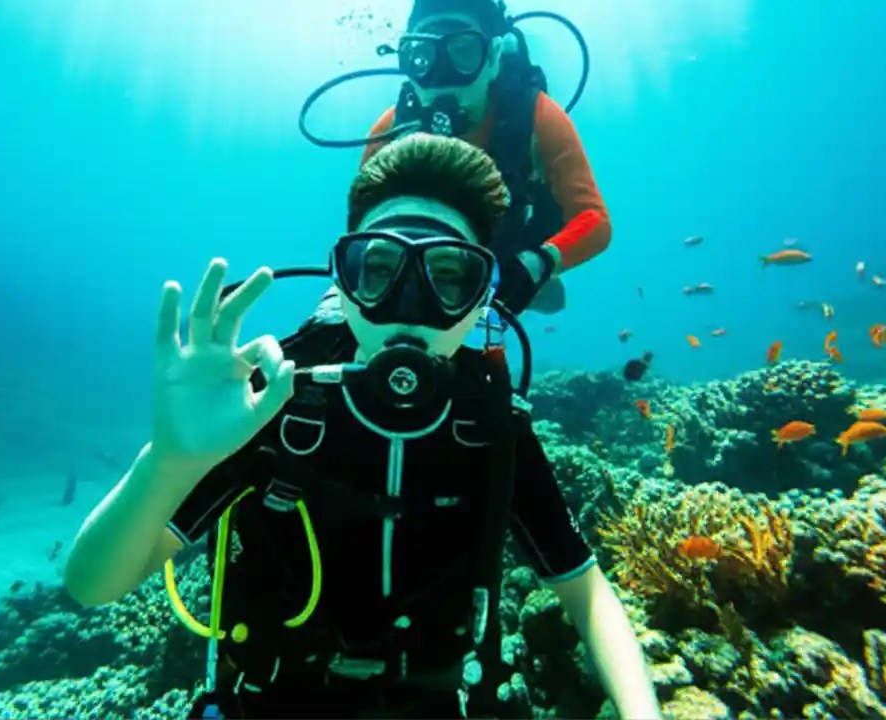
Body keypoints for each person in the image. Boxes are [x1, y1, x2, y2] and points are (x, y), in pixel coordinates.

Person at [64, 134, 659, 719]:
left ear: (483, 299)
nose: (409, 305)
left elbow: (586, 594)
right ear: (343, 285)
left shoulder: (491, 424)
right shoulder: (275, 404)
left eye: (449, 277)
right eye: (379, 269)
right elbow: (93, 584)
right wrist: (167, 461)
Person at [306, 0, 610, 325]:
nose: (440, 75)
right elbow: (360, 236)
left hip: (506, 253)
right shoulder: (391, 130)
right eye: (423, 56)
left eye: (463, 52)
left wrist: (538, 262)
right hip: (422, 260)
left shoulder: (536, 117)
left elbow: (594, 220)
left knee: (546, 301)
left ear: (494, 57)